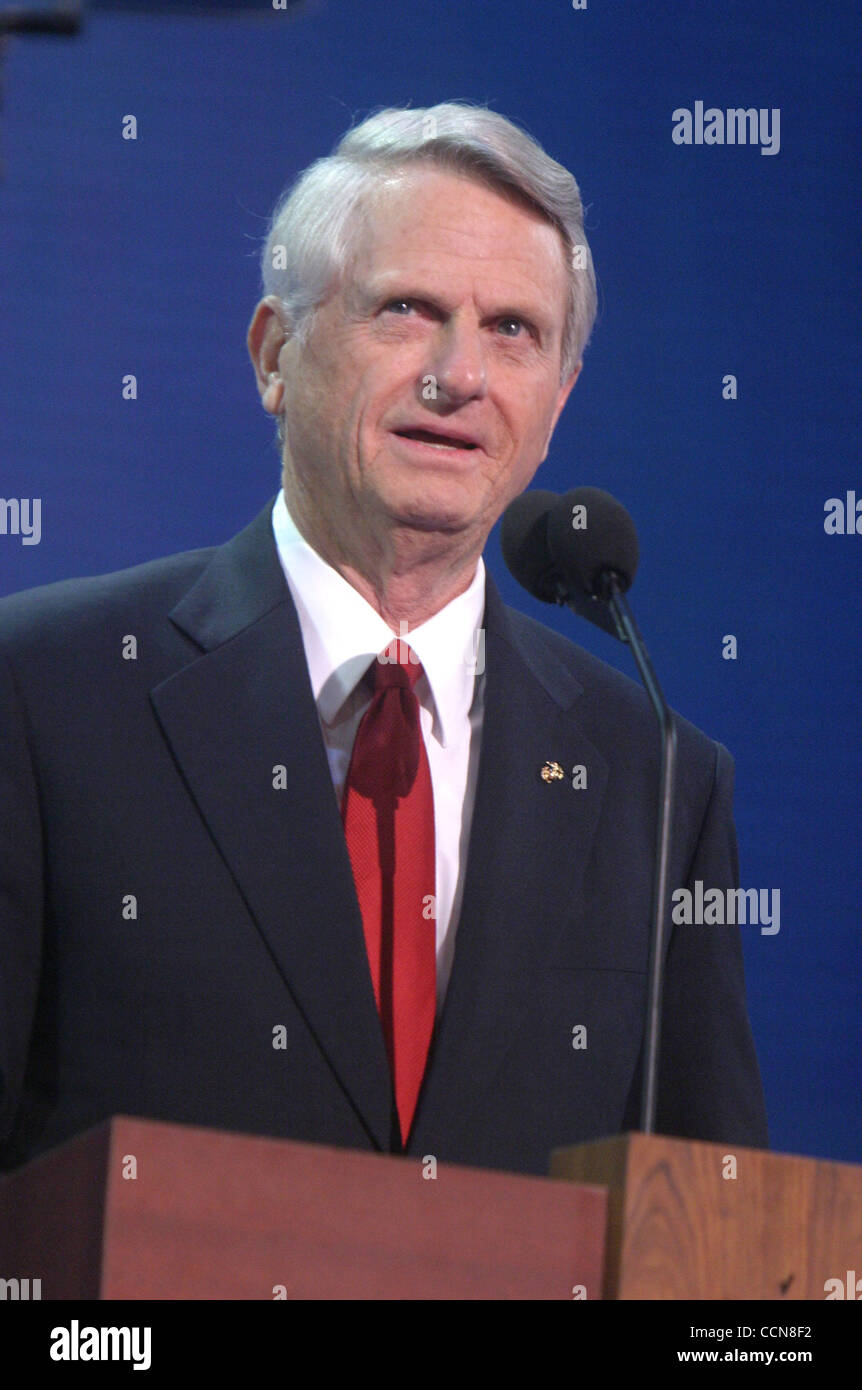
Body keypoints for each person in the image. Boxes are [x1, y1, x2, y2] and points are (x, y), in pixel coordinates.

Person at [0, 102, 768, 1177]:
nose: (461, 375)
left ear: (557, 402)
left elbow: (713, 1218)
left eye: (514, 331)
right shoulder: (45, 694)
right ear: (276, 354)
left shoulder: (659, 778)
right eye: (408, 310)